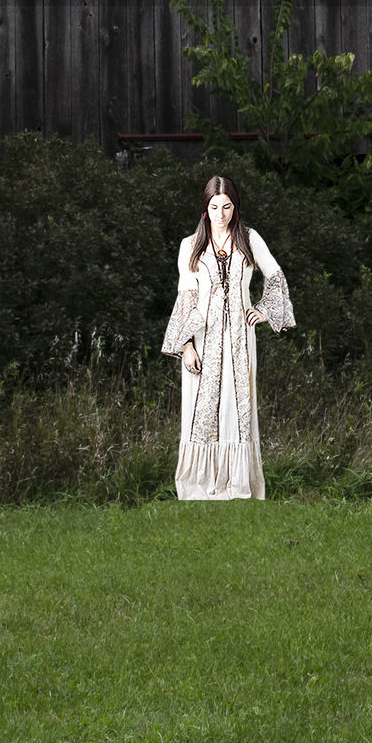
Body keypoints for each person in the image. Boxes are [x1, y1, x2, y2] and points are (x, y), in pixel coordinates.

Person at [161, 174, 295, 500]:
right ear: (205, 209)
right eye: (214, 206)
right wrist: (186, 344)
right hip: (202, 339)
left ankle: (237, 483)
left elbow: (275, 275)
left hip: (239, 338)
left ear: (235, 207)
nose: (221, 213)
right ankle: (201, 483)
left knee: (238, 406)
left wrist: (265, 310)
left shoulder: (250, 239)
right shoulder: (189, 246)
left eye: (227, 206)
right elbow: (187, 297)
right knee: (201, 408)